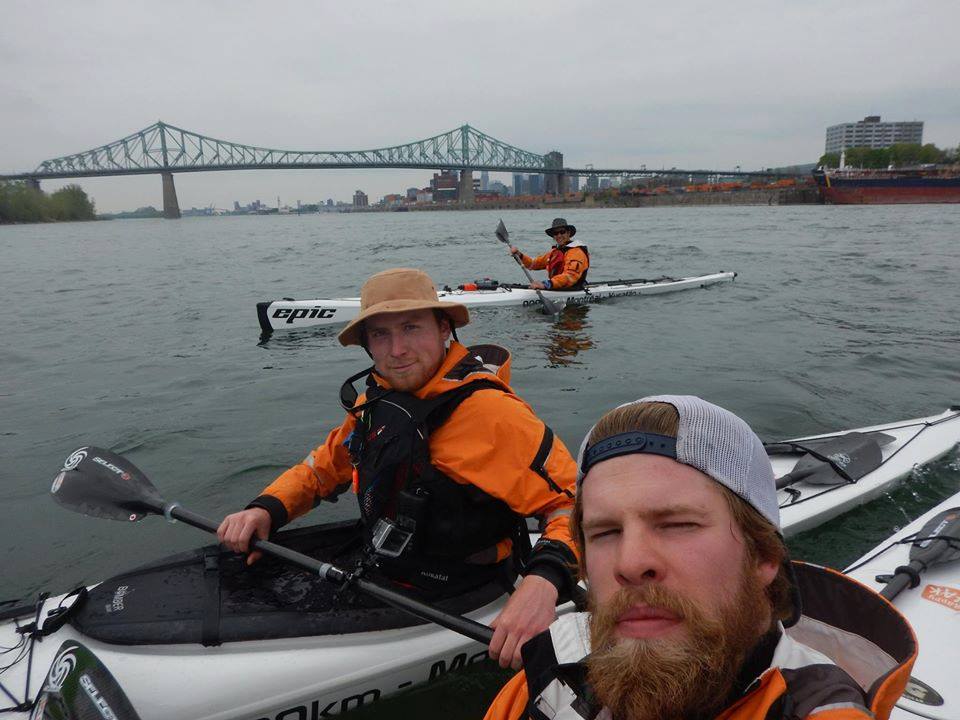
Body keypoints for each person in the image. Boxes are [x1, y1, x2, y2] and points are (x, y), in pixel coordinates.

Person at [217, 267, 580, 669]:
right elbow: (325, 466)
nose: (397, 350)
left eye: (411, 328)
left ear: (444, 329)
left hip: (461, 590)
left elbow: (576, 507)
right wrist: (266, 507)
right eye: (381, 334)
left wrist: (544, 580)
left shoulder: (494, 415)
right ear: (368, 345)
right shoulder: (377, 401)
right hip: (385, 560)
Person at [485, 395, 916, 720]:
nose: (629, 563)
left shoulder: (820, 709)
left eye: (677, 525)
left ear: (764, 555)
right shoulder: (549, 671)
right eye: (606, 532)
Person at [509, 218, 589, 291]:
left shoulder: (577, 252)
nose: (559, 235)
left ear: (568, 233)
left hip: (573, 289)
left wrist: (547, 284)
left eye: (562, 232)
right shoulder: (554, 252)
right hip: (556, 288)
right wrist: (519, 255)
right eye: (556, 233)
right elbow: (533, 264)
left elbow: (570, 276)